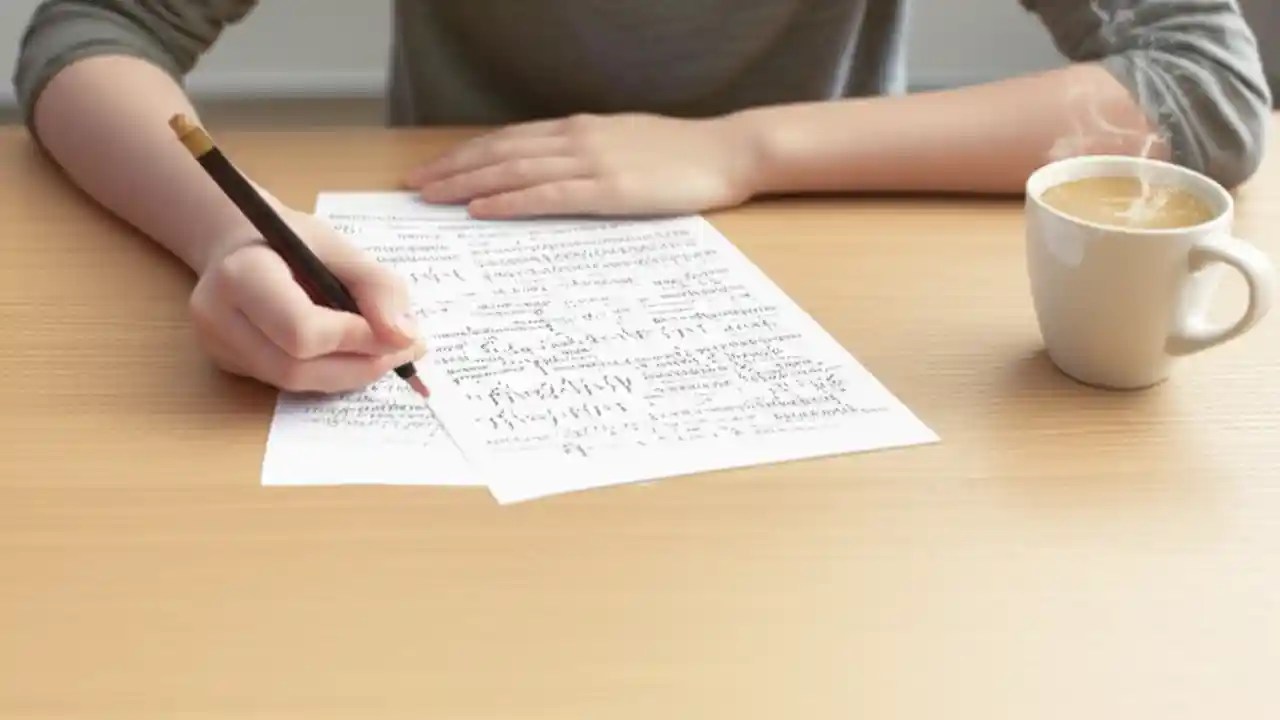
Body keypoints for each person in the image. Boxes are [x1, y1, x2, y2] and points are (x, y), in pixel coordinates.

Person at [12, 1, 1272, 394]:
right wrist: (237, 231)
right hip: (451, 252)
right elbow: (88, 38)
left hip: (828, 292)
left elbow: (1207, 94)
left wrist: (745, 149)